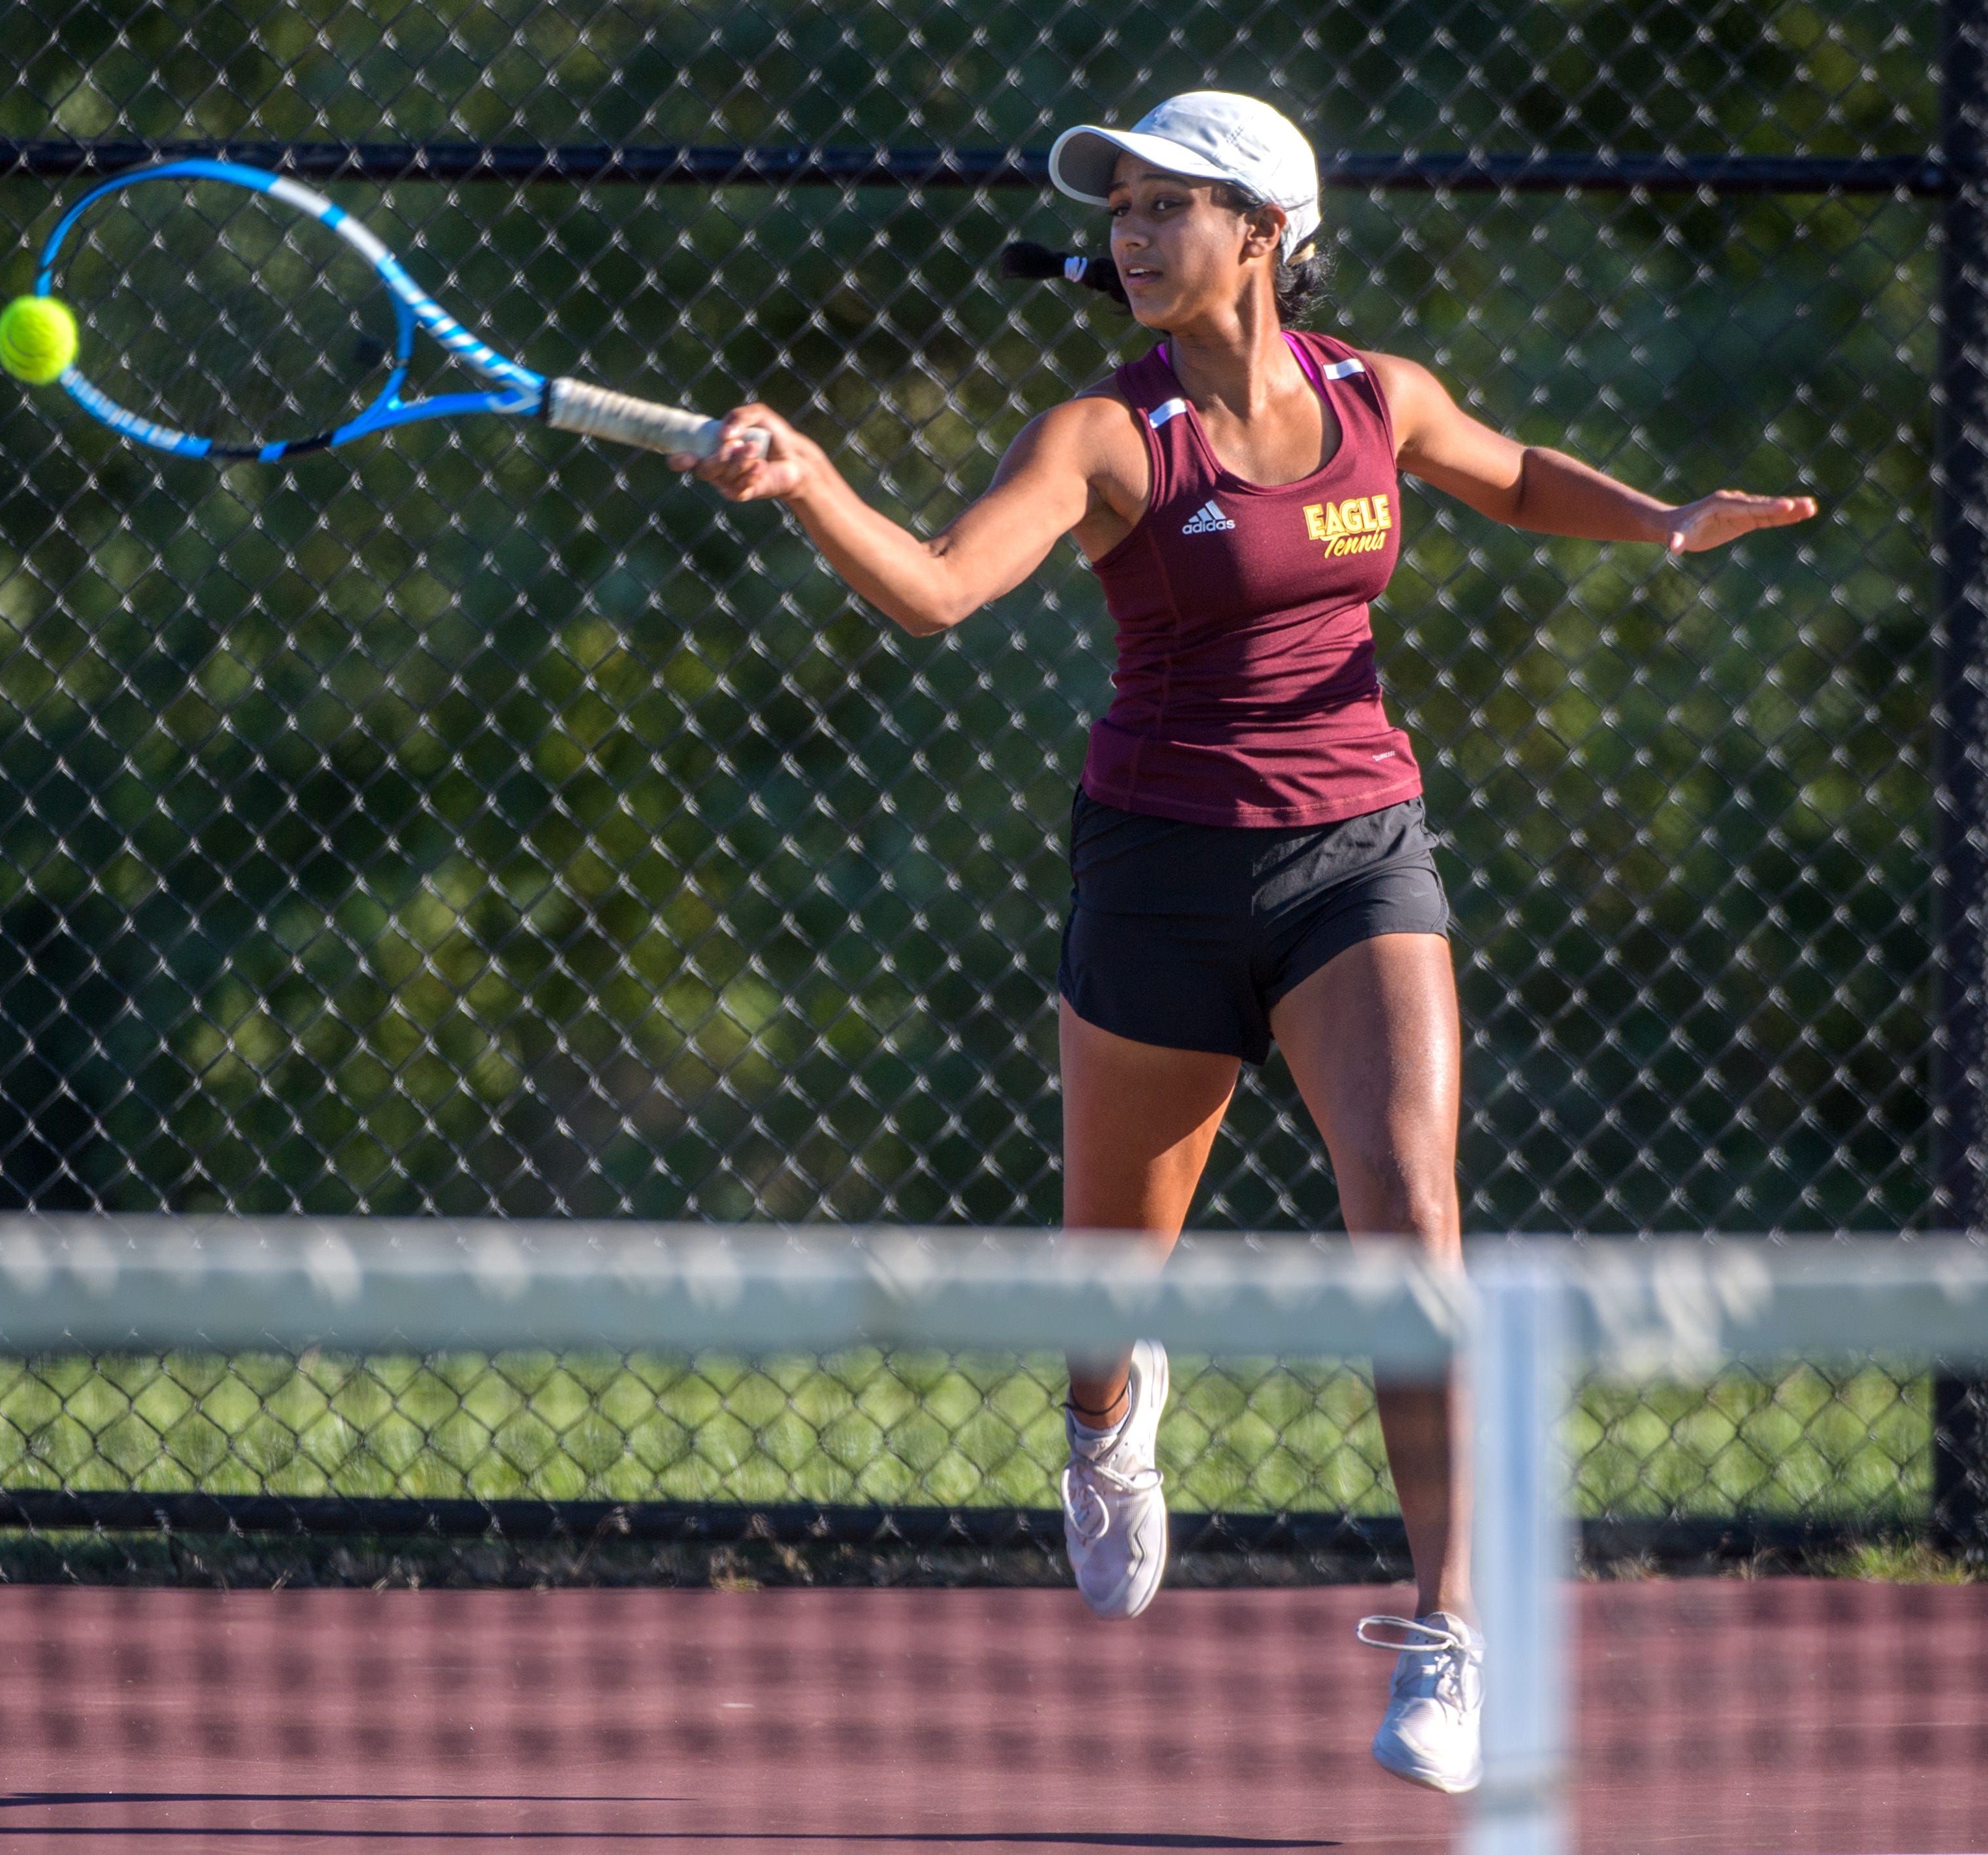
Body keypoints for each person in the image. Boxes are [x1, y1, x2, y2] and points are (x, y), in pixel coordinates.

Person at [677, 90, 1815, 1793]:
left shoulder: (1376, 396)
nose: (1132, 234)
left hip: (1359, 856)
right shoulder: (1103, 435)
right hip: (1158, 870)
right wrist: (814, 478)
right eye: (1121, 208)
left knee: (1411, 1219)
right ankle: (1105, 1413)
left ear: (1265, 232)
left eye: (1170, 206)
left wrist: (1658, 519)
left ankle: (1452, 1630)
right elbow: (938, 589)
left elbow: (1509, 475)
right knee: (1105, 1282)